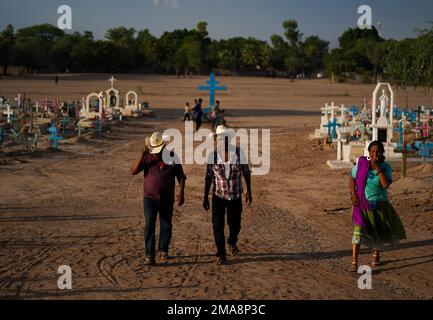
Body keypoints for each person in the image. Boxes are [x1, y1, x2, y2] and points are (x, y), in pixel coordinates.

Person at [349, 140, 406, 272]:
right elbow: (351, 178)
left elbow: (385, 184)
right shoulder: (362, 164)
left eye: (378, 151)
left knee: (377, 231)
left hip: (380, 204)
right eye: (372, 151)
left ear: (382, 153)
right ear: (369, 152)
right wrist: (353, 194)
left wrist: (377, 168)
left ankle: (376, 253)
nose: (375, 154)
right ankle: (354, 262)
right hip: (362, 204)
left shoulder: (385, 167)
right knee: (357, 233)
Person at [131, 132, 187, 266]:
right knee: (149, 225)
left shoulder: (173, 157)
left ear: (163, 146)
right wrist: (141, 155)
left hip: (167, 198)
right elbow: (133, 171)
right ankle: (149, 255)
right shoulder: (147, 157)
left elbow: (181, 176)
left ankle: (163, 249)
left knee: (166, 225)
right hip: (149, 198)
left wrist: (181, 193)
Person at [203, 125, 252, 265]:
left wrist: (249, 191)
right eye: (219, 139)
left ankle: (232, 241)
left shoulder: (238, 153)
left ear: (229, 139)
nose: (222, 141)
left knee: (235, 225)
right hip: (218, 196)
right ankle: (221, 254)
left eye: (225, 139)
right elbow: (208, 177)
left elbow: (246, 172)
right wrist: (205, 196)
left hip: (235, 196)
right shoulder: (212, 156)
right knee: (217, 226)